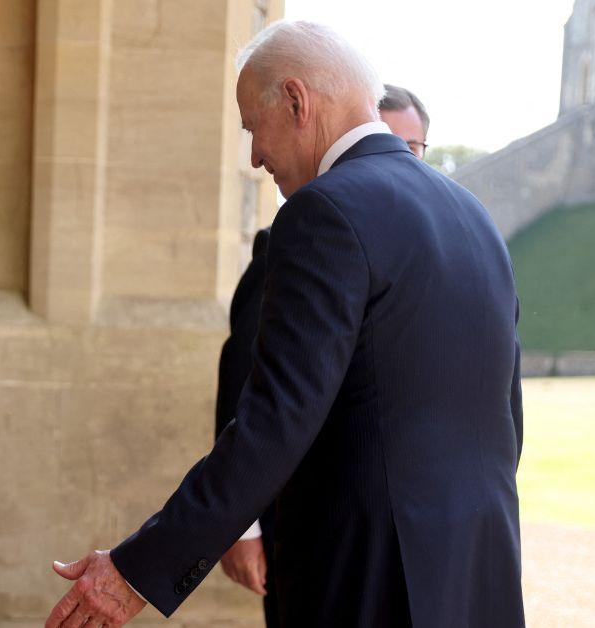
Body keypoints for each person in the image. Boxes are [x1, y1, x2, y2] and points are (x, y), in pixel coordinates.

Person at [46, 21, 522, 627]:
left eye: (252, 126)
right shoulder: (473, 215)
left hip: (364, 582)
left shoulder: (322, 212)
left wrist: (139, 569)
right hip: (480, 575)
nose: (253, 156)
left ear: (297, 101)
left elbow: (276, 422)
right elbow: (507, 414)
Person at [215, 83, 436, 626]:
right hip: (316, 534)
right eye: (392, 141)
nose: (404, 159)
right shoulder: (301, 237)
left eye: (416, 147)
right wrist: (243, 527)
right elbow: (245, 388)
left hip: (414, 540)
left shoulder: (438, 248)